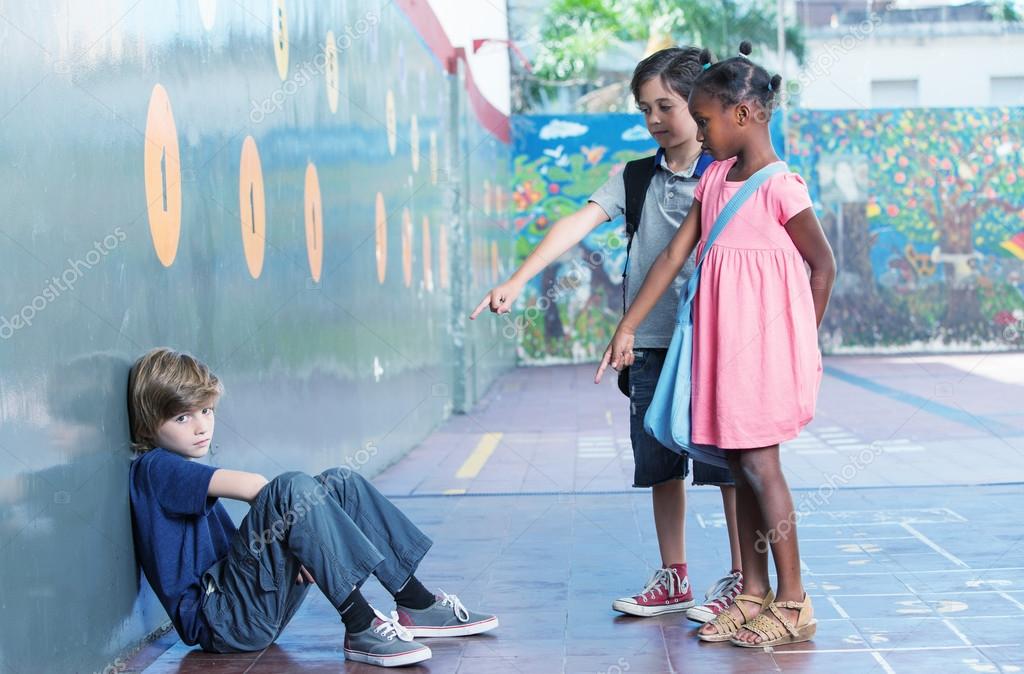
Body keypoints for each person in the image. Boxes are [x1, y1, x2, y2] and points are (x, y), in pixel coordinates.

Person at [472, 47, 744, 622]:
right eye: (644, 108)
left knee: (726, 468)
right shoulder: (634, 176)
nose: (653, 119)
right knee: (659, 463)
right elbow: (576, 221)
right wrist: (519, 279)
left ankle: (742, 580)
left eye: (665, 106)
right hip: (650, 344)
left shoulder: (726, 174)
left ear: (697, 102)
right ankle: (674, 577)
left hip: (713, 343)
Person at [596, 42, 836, 647]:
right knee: (738, 465)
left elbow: (823, 266)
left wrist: (800, 346)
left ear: (743, 115)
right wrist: (628, 325)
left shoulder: (781, 187)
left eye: (704, 121)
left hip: (767, 359)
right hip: (722, 358)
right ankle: (752, 594)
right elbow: (672, 256)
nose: (698, 134)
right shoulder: (716, 181)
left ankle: (794, 600)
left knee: (761, 465)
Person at [127, 347, 497, 668]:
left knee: (338, 484)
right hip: (223, 621)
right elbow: (254, 487)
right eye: (182, 417)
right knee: (290, 488)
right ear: (147, 424)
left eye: (206, 411)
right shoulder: (155, 468)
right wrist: (304, 536)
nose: (200, 426)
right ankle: (360, 624)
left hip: (247, 605)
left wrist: (301, 539)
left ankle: (415, 601)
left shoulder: (175, 466)